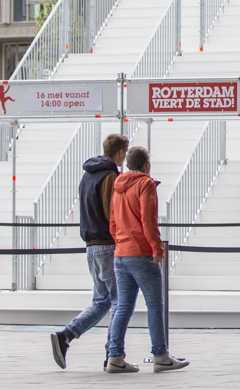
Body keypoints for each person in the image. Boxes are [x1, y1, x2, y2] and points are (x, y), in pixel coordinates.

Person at [106, 147, 189, 373]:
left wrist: (121, 242)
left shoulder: (118, 186)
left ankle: (114, 357)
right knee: (154, 305)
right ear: (147, 164)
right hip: (141, 253)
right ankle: (160, 355)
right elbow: (147, 219)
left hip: (121, 253)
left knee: (123, 306)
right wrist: (156, 247)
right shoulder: (146, 184)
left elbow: (113, 222)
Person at [51, 133, 129, 369]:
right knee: (118, 301)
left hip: (91, 245)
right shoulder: (110, 175)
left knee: (101, 301)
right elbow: (111, 213)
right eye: (124, 152)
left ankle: (66, 336)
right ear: (119, 152)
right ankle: (113, 356)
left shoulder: (88, 175)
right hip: (107, 244)